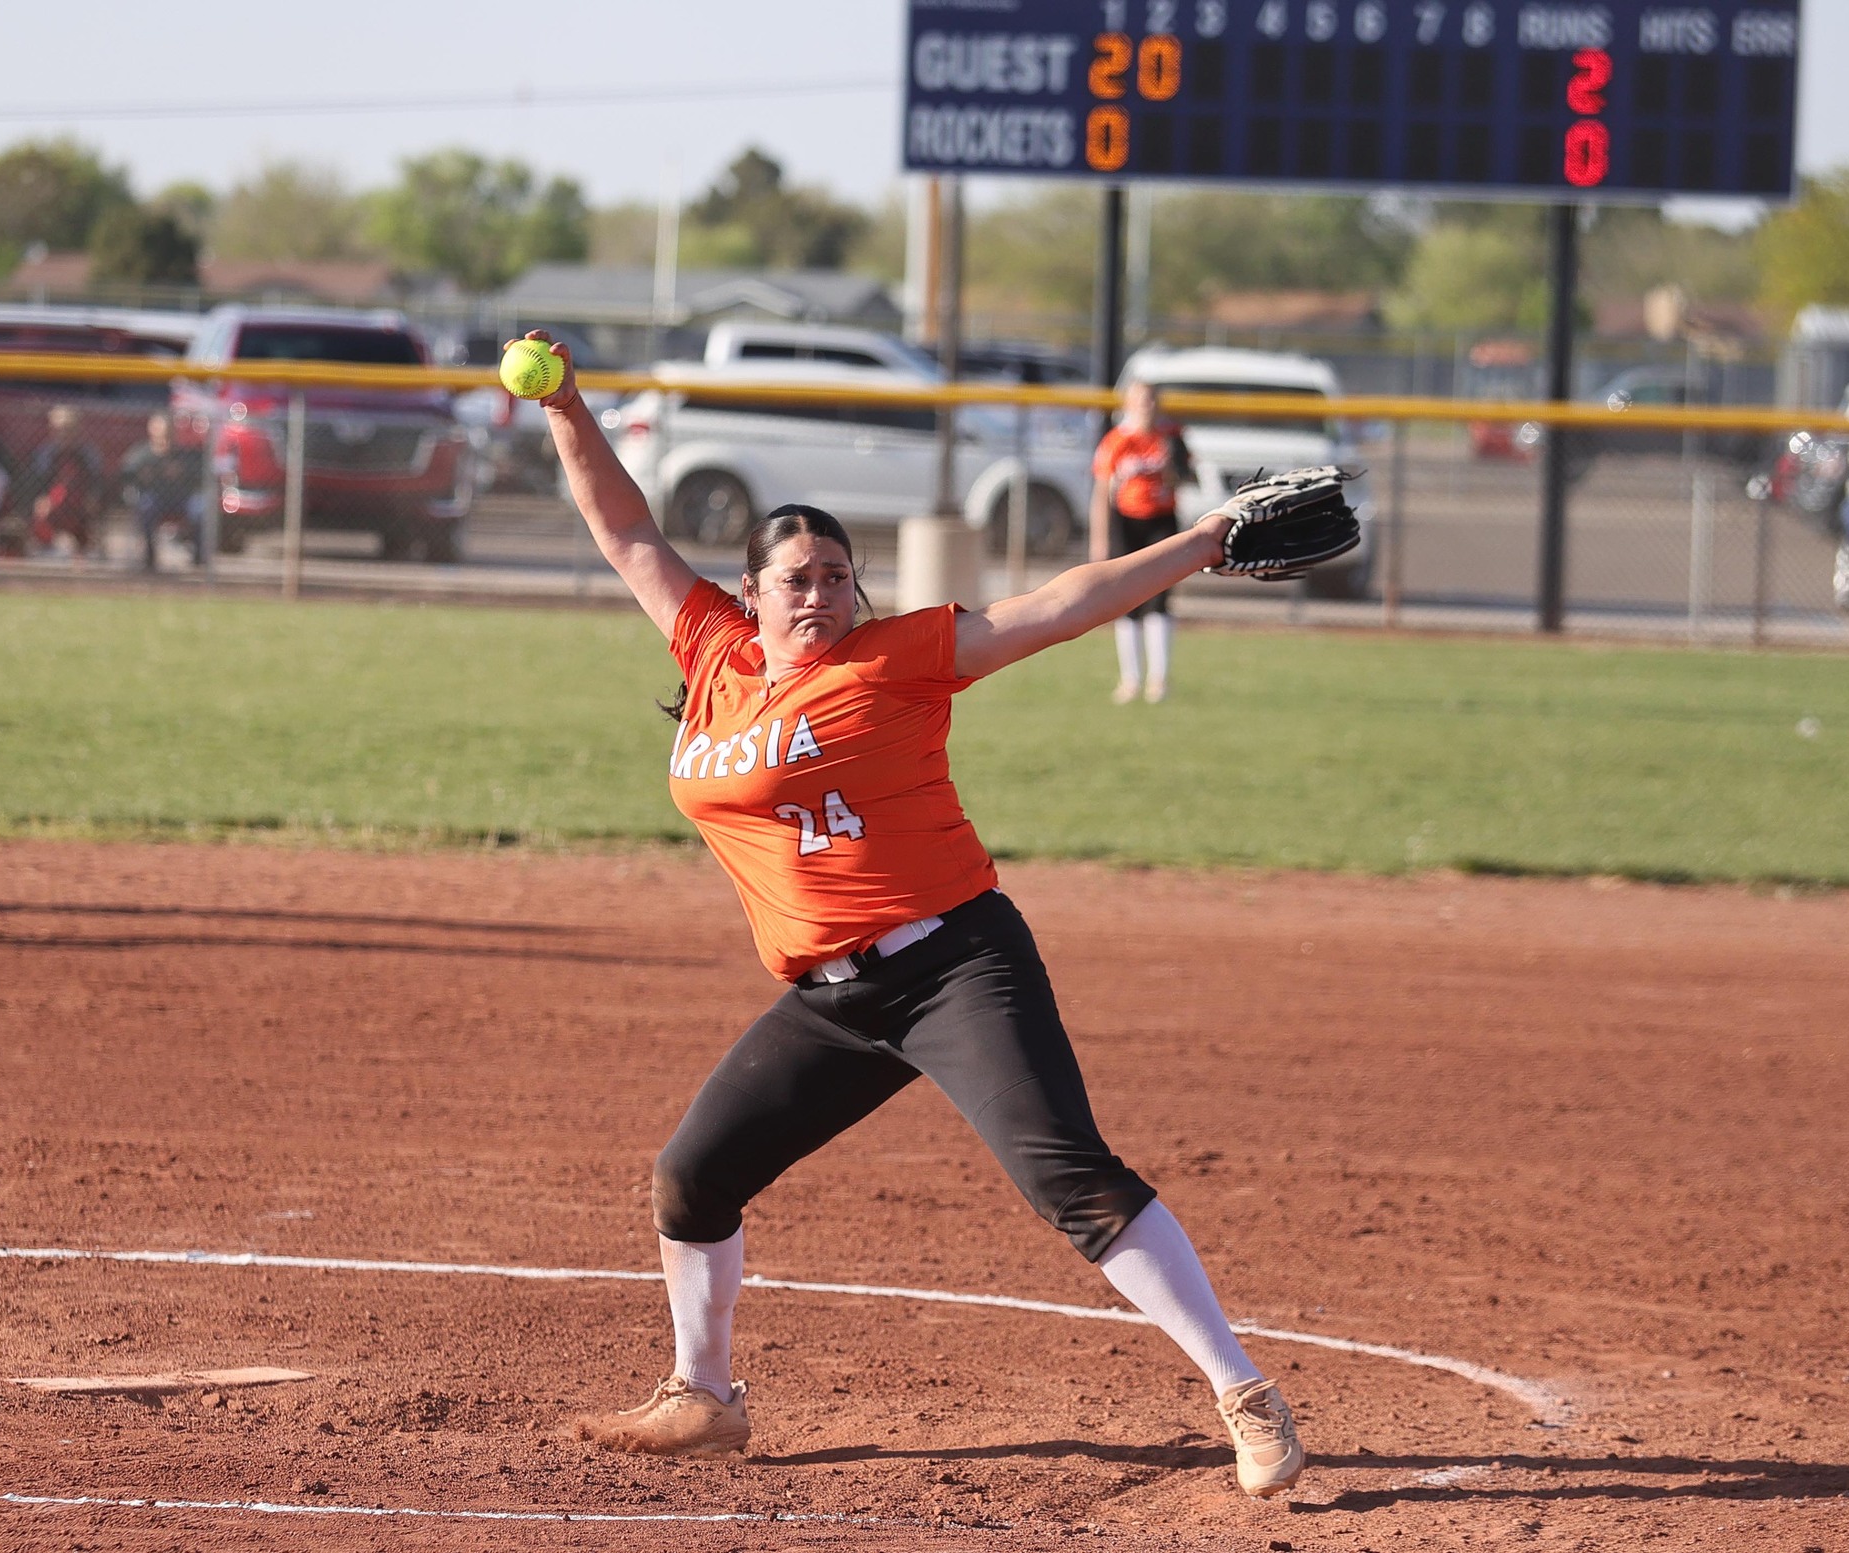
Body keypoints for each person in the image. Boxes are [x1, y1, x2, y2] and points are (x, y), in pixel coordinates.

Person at [525, 331, 1304, 1499]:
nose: (822, 592)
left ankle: (1242, 1390)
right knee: (691, 1175)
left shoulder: (896, 659)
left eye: (838, 574)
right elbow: (625, 528)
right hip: (828, 997)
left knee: (1067, 1177)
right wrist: (568, 407)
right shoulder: (715, 653)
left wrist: (1197, 543)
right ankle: (705, 1395)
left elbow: (1054, 607)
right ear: (750, 592)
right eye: (797, 576)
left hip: (953, 964)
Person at [1089, 381, 1194, 704]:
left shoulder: (1171, 436)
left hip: (1161, 521)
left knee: (1160, 600)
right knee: (1126, 602)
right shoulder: (1118, 440)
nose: (1145, 406)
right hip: (1127, 522)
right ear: (1128, 403)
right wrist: (1099, 539)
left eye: (1150, 400)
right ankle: (1130, 680)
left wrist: (1174, 466)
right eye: (1139, 400)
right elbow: (1102, 492)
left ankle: (1159, 680)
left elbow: (1187, 479)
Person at [119, 413, 205, 570]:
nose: (163, 437)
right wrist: (141, 480)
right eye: (159, 432)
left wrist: (182, 473)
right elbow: (126, 476)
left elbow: (198, 476)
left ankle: (199, 554)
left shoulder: (183, 455)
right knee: (146, 505)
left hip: (181, 499)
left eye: (167, 433)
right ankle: (149, 553)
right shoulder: (141, 454)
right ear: (151, 431)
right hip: (155, 500)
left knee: (200, 508)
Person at [27, 404, 103, 556]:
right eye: (58, 429)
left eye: (68, 428)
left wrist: (93, 497)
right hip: (53, 503)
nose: (63, 434)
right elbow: (34, 484)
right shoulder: (45, 454)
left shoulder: (88, 454)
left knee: (87, 511)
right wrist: (41, 499)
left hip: (78, 501)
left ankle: (82, 547)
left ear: (77, 429)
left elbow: (98, 482)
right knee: (45, 508)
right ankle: (50, 544)